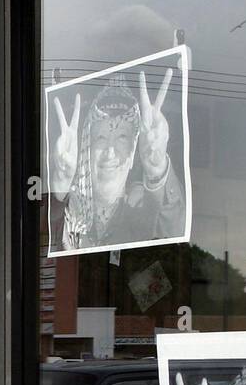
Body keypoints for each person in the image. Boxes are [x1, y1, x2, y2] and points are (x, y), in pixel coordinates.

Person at [50, 68, 185, 253]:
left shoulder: (141, 218)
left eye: (122, 137)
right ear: (86, 153)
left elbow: (170, 235)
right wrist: (60, 192)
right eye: (101, 138)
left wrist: (156, 168)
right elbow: (40, 248)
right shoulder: (69, 213)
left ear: (131, 157)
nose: (110, 152)